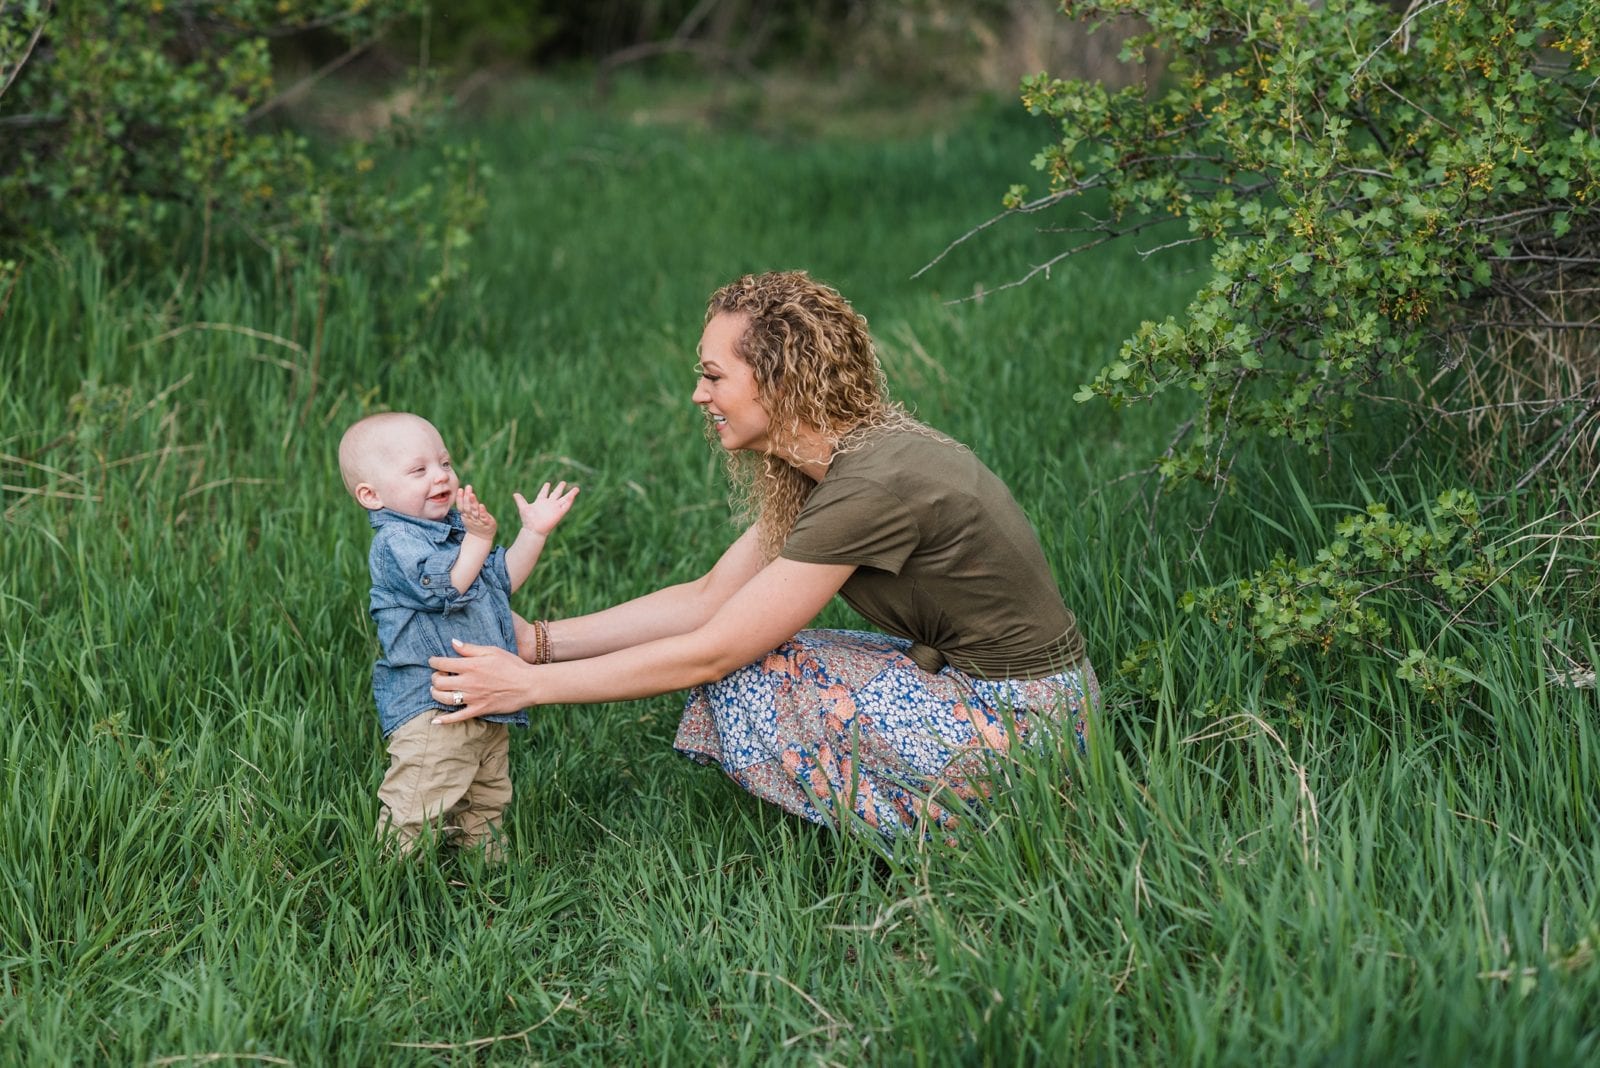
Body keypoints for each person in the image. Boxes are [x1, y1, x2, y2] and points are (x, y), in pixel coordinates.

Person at [429, 271, 1096, 837]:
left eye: (714, 376)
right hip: (1014, 700)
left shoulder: (868, 486)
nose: (698, 394)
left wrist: (531, 688)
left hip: (1029, 730)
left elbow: (714, 648)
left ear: (777, 381)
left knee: (748, 669)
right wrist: (538, 642)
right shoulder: (836, 461)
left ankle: (958, 834)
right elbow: (710, 597)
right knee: (769, 654)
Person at [338, 411, 579, 856]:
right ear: (371, 495)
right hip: (434, 706)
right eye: (418, 470)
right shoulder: (395, 542)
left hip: (486, 697)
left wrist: (532, 532)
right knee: (419, 800)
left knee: (486, 799)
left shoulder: (452, 534)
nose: (440, 476)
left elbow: (499, 580)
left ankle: (487, 875)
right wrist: (478, 540)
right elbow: (447, 585)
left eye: (445, 464)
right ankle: (389, 881)